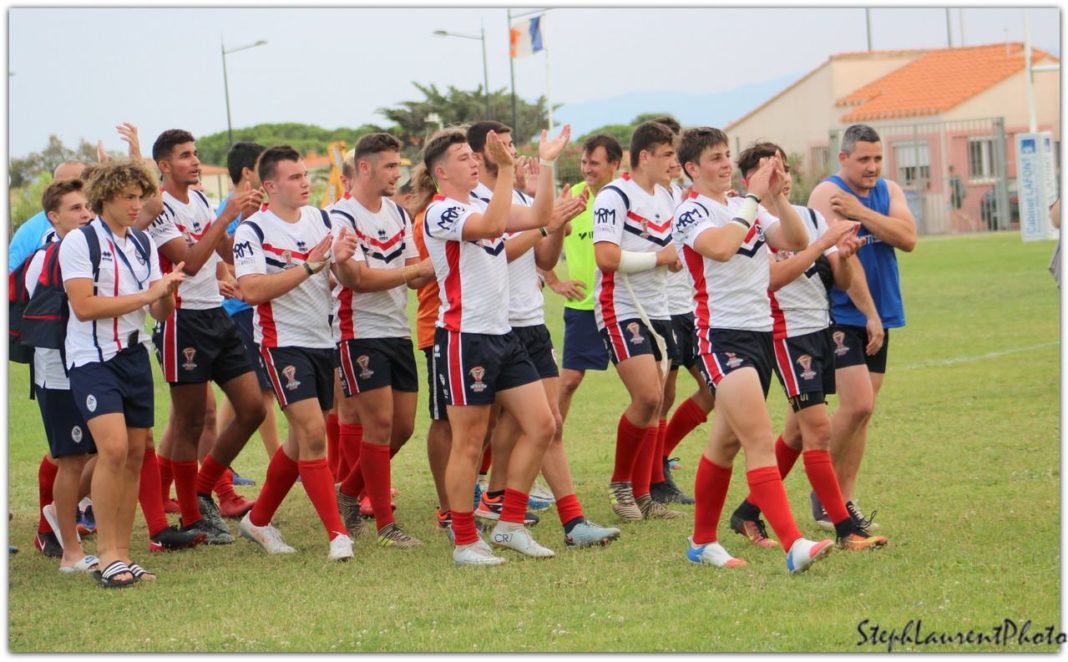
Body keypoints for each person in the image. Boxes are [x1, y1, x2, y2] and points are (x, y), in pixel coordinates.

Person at [672, 127, 832, 572]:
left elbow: (796, 240)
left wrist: (776, 195)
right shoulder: (691, 211)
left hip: (759, 334)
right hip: (721, 337)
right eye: (715, 158)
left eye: (727, 155)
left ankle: (702, 542)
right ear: (691, 168)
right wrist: (754, 198)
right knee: (760, 440)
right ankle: (794, 545)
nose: (726, 164)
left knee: (724, 445)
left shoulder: (743, 205)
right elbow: (722, 248)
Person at [725, 142, 888, 552]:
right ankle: (846, 529)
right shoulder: (749, 222)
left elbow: (842, 281)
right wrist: (819, 246)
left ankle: (747, 511)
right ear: (751, 179)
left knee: (798, 434)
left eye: (784, 167)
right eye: (771, 169)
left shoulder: (810, 217)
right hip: (786, 334)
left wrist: (844, 256)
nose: (781, 176)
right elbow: (772, 281)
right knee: (818, 430)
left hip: (822, 329)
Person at [420, 125, 570, 565]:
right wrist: (505, 170)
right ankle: (465, 542)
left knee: (542, 424)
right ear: (441, 172)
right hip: (464, 338)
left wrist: (546, 163)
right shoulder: (440, 211)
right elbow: (491, 227)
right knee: (469, 443)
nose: (473, 161)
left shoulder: (484, 201)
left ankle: (510, 525)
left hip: (503, 335)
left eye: (473, 155)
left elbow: (540, 215)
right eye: (463, 157)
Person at [466, 121, 619, 548]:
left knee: (545, 424)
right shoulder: (474, 202)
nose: (512, 151)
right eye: (502, 145)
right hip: (494, 326)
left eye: (513, 144)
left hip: (531, 323)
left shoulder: (519, 200)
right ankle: (471, 513)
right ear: (479, 155)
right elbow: (494, 253)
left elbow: (545, 258)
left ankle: (557, 518)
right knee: (482, 431)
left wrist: (554, 221)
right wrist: (547, 223)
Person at [61, 159, 184, 586]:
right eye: (128, 197)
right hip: (93, 358)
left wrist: (166, 294)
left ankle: (123, 555)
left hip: (134, 354)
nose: (137, 205)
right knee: (112, 450)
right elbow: (84, 306)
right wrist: (147, 296)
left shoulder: (143, 242)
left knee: (134, 455)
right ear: (105, 197)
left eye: (140, 197)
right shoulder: (79, 242)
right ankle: (106, 555)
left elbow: (159, 310)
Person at [232, 145, 354, 561]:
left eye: (305, 175)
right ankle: (338, 535)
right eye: (295, 177)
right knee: (315, 434)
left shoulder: (323, 220)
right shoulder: (253, 230)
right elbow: (251, 290)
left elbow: (330, 280)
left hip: (322, 340)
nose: (306, 183)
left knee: (301, 442)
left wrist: (339, 263)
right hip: (282, 344)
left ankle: (258, 519)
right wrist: (308, 266)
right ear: (270, 186)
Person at [147, 129, 266, 544]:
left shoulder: (198, 199)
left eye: (195, 154)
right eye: (185, 155)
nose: (195, 161)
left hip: (216, 315)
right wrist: (226, 216)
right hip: (182, 321)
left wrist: (246, 223)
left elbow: (223, 252)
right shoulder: (159, 208)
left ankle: (202, 488)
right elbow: (190, 262)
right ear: (164, 165)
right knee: (191, 422)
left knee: (253, 408)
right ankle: (193, 516)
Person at [807, 124, 917, 530]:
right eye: (863, 159)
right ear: (843, 158)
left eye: (877, 159)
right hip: (840, 314)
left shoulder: (889, 191)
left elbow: (907, 238)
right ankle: (823, 490)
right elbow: (840, 259)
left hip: (881, 314)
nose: (872, 167)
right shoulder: (827, 193)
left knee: (861, 416)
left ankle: (844, 497)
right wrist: (868, 313)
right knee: (857, 406)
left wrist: (863, 213)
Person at [329, 132, 434, 548]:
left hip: (396, 331)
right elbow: (357, 279)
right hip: (359, 333)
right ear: (365, 167)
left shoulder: (396, 212)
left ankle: (347, 492)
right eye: (390, 166)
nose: (397, 174)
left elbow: (416, 274)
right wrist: (414, 271)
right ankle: (386, 526)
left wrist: (446, 261)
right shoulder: (341, 216)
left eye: (398, 166)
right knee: (380, 424)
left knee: (402, 428)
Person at [592, 121, 682, 522]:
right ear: (644, 156)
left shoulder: (666, 195)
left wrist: (673, 259)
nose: (673, 162)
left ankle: (644, 495)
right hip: (621, 307)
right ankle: (621, 485)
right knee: (646, 396)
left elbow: (670, 250)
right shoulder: (615, 195)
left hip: (658, 308)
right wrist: (661, 258)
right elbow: (607, 258)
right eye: (667, 154)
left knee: (658, 401)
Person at [27, 178, 98, 573]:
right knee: (71, 459)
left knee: (107, 449)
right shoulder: (44, 257)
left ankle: (60, 509)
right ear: (53, 217)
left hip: (91, 365)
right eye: (75, 208)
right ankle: (70, 553)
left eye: (87, 206)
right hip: (57, 373)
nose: (86, 214)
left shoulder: (92, 249)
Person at [540, 135, 619, 467]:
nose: (587, 169)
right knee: (569, 381)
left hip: (624, 306)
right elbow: (538, 239)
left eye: (594, 163)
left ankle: (655, 466)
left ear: (614, 165)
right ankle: (545, 448)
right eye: (584, 162)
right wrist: (554, 281)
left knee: (653, 389)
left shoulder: (626, 197)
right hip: (584, 307)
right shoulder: (571, 198)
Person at [214, 141, 284, 483]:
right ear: (247, 172)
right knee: (262, 391)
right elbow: (225, 258)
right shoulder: (229, 211)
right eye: (263, 164)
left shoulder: (258, 208)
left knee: (242, 392)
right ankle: (278, 463)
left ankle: (216, 463)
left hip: (251, 308)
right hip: (240, 310)